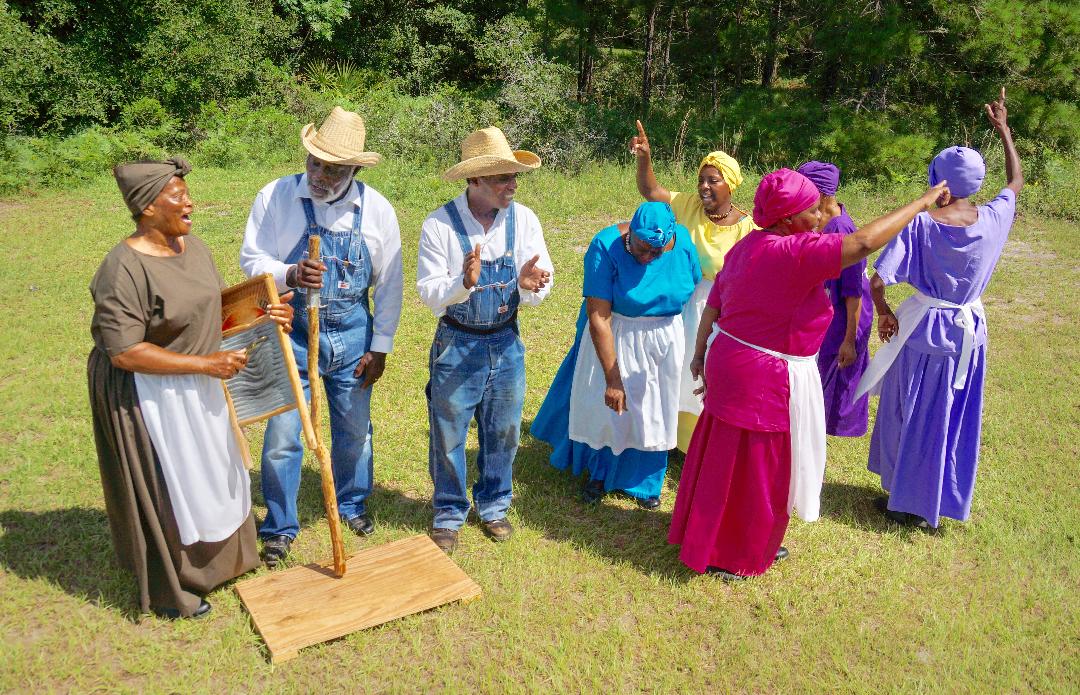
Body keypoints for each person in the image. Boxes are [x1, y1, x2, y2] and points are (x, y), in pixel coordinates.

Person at [668, 168, 950, 580]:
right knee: (756, 466)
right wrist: (923, 203)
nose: (821, 217)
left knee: (726, 457)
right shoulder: (794, 252)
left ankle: (717, 536)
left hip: (731, 359)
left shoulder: (750, 244)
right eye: (812, 210)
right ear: (786, 219)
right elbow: (864, 242)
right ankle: (730, 553)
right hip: (762, 375)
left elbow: (715, 303)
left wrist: (699, 352)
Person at [89, 158, 294, 618]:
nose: (190, 202)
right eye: (177, 195)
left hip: (201, 381)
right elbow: (123, 352)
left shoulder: (193, 247)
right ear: (146, 207)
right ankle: (171, 589)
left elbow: (218, 311)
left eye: (187, 193)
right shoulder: (122, 269)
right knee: (172, 486)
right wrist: (203, 363)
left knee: (214, 472)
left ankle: (229, 562)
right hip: (149, 395)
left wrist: (269, 312)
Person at [240, 107, 404, 566]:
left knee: (354, 430)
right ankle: (279, 526)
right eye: (314, 162)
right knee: (283, 434)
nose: (319, 174)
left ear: (354, 170)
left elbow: (390, 283)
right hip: (290, 332)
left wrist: (380, 347)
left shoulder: (378, 211)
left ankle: (351, 503)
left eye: (333, 169)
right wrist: (289, 271)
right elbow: (252, 260)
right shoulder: (274, 197)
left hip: (353, 333)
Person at [856, 88, 1024, 529]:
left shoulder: (921, 224)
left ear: (939, 184)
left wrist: (886, 312)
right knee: (948, 415)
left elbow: (877, 279)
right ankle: (935, 497)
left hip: (924, 331)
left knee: (910, 409)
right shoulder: (993, 218)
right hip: (969, 332)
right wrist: (1004, 130)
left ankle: (903, 501)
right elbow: (1016, 182)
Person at [418, 127, 554, 554]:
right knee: (449, 432)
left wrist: (530, 285)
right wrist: (463, 282)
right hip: (457, 343)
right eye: (501, 178)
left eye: (514, 177)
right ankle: (449, 513)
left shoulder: (525, 219)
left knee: (504, 430)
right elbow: (428, 292)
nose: (511, 185)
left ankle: (494, 505)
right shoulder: (439, 225)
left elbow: (540, 282)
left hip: (505, 342)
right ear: (473, 180)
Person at [532, 202, 701, 508]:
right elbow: (598, 316)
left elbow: (691, 286)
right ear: (631, 232)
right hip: (618, 331)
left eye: (656, 251)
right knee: (610, 411)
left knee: (654, 409)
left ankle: (646, 482)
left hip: (664, 336)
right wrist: (613, 378)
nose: (648, 256)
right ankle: (600, 474)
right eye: (642, 247)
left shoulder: (683, 242)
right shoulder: (605, 246)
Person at [630, 120, 753, 452]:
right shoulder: (687, 206)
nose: (704, 186)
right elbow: (651, 191)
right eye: (701, 179)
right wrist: (645, 158)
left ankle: (694, 446)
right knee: (670, 370)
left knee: (700, 376)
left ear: (731, 185)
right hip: (678, 303)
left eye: (713, 181)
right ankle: (664, 439)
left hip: (716, 312)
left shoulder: (747, 229)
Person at [796, 161, 872, 437]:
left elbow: (853, 292)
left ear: (823, 193)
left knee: (827, 388)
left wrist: (849, 339)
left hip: (845, 319)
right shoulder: (816, 220)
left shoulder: (841, 230)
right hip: (825, 313)